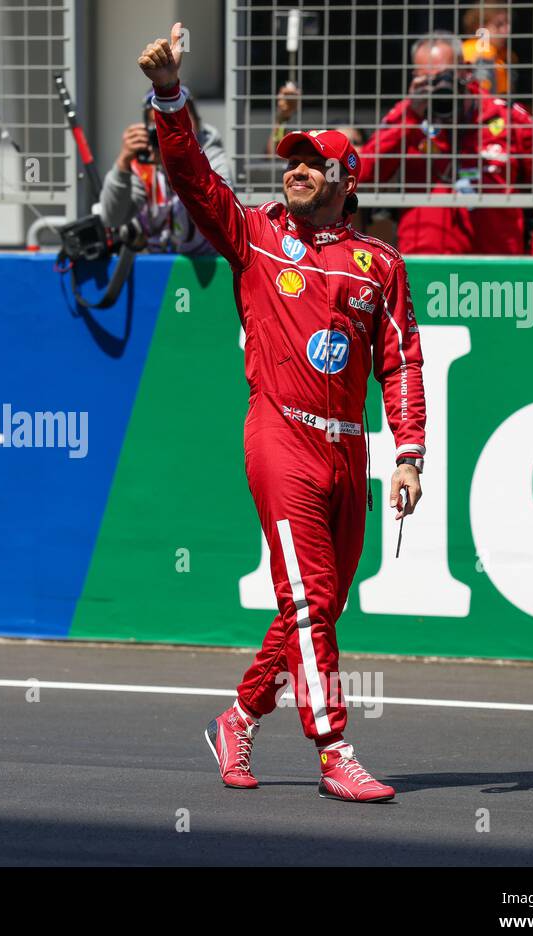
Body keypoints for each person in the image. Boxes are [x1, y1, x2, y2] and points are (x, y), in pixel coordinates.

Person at [138, 23, 425, 803]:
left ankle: (237, 716)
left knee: (322, 602)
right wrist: (170, 96)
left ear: (346, 178)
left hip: (349, 452)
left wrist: (408, 454)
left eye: (313, 161)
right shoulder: (257, 235)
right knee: (304, 600)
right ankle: (334, 748)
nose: (295, 169)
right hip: (279, 435)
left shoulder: (381, 265)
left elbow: (401, 362)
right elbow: (192, 176)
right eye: (291, 159)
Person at [359, 32, 533, 255]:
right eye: (429, 80)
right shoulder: (405, 117)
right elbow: (364, 174)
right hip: (426, 262)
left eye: (445, 76)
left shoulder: (506, 117)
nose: (439, 87)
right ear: (415, 77)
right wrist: (411, 117)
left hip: (495, 266)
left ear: (466, 71)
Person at [100, 85, 232, 254]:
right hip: (158, 267)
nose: (169, 133)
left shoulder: (212, 157)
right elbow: (113, 218)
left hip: (206, 262)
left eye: (178, 121)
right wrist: (122, 164)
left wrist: (178, 166)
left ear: (196, 123)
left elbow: (222, 217)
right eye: (161, 125)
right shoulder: (143, 163)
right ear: (148, 131)